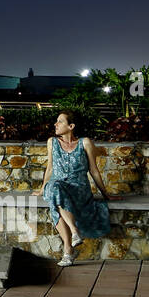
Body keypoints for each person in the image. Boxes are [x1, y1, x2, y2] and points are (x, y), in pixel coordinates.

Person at [43, 110, 112, 266]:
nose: (56, 124)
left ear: (71, 126)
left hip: (79, 188)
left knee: (54, 200)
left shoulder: (85, 142)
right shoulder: (52, 142)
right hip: (58, 186)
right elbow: (49, 169)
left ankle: (69, 251)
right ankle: (73, 236)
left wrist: (105, 194)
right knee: (54, 189)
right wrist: (42, 189)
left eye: (60, 121)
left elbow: (93, 170)